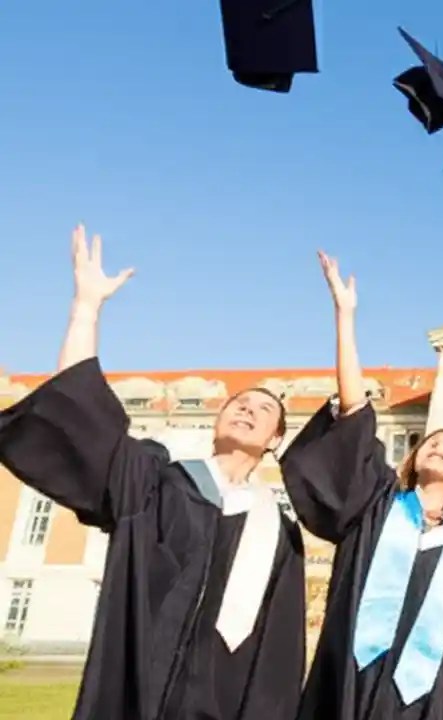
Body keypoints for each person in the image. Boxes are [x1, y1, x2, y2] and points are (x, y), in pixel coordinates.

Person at [0, 225, 306, 720]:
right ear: (216, 421)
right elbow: (79, 414)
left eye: (263, 409)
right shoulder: (157, 481)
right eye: (238, 402)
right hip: (134, 696)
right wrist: (86, 309)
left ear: (276, 440)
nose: (246, 410)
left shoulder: (279, 532)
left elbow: (278, 659)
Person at [282, 251, 443, 720]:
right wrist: (345, 316)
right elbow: (355, 414)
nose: (438, 447)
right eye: (432, 442)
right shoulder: (377, 503)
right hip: (350, 679)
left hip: (426, 697)